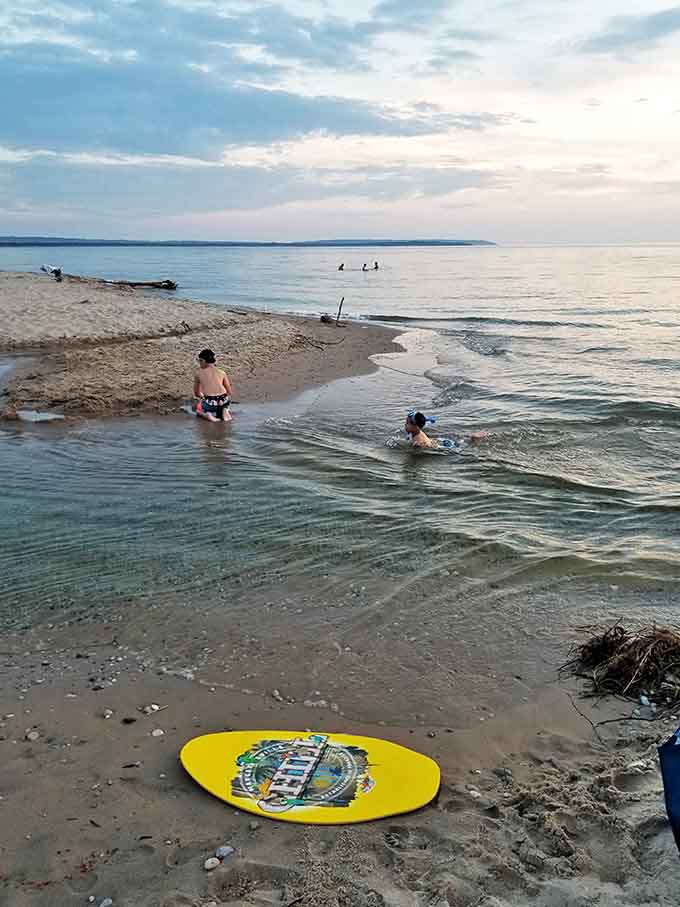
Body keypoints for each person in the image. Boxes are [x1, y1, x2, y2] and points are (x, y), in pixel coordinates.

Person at [405, 410, 489, 449]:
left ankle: (474, 438)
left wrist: (416, 448)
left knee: (463, 445)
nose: (405, 424)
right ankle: (471, 438)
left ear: (416, 427)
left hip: (442, 447)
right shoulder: (416, 430)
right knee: (460, 442)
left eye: (407, 423)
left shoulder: (418, 441)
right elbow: (422, 421)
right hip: (436, 441)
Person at [193, 349, 232, 422]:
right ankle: (225, 411)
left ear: (203, 360)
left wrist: (202, 396)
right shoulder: (222, 372)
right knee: (223, 405)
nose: (199, 364)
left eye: (200, 361)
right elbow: (229, 391)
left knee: (198, 409)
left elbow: (196, 393)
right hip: (223, 400)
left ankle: (208, 415)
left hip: (210, 402)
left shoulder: (198, 374)